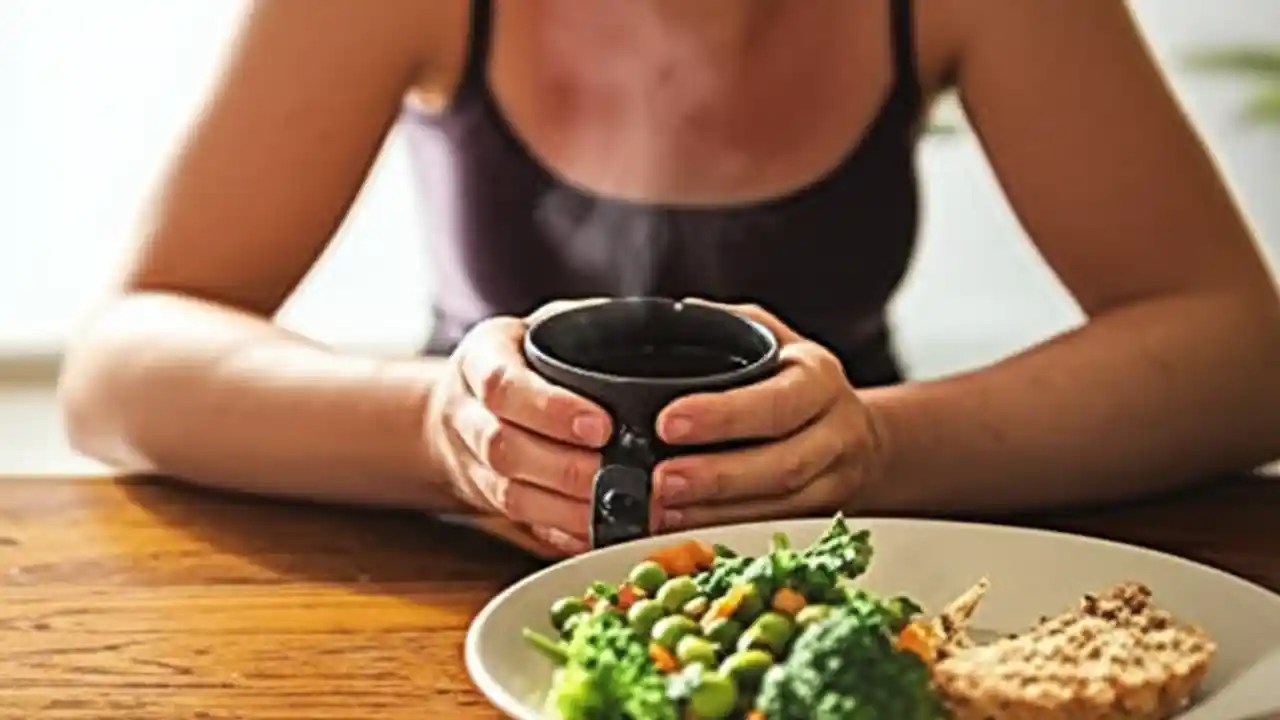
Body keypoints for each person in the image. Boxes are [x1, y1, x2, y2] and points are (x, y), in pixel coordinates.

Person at [58, 0, 1280, 558]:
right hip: (463, 560)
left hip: (846, 557)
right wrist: (444, 430)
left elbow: (1240, 358)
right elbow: (120, 364)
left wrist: (868, 453)